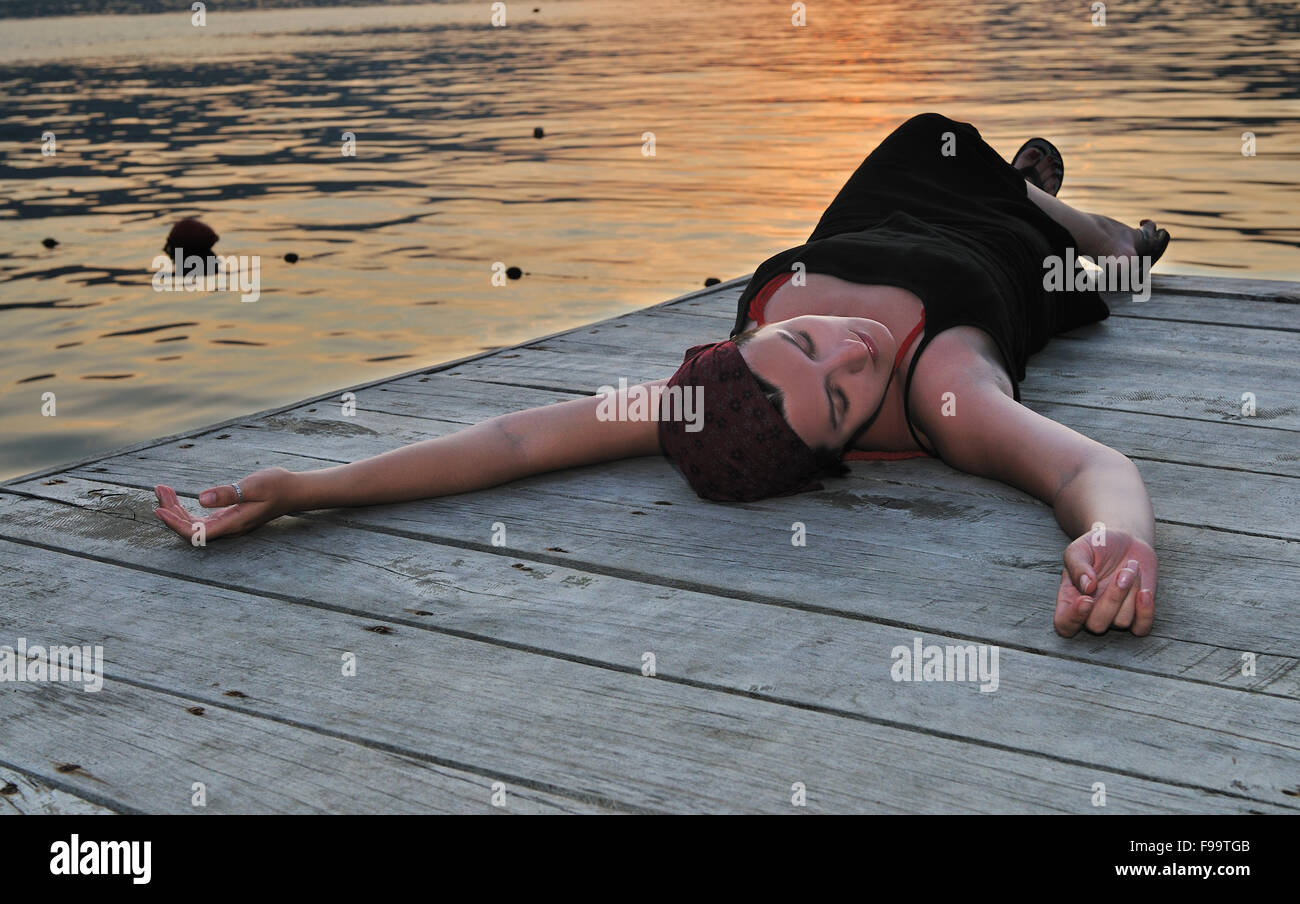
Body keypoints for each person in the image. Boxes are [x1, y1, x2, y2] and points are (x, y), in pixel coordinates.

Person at [153, 114, 1170, 640]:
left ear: (740, 343)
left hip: (896, 175)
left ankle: (1024, 176)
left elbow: (515, 440)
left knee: (950, 143)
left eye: (805, 344)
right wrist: (1112, 542)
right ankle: (1060, 205)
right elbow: (1085, 469)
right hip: (991, 244)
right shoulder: (946, 393)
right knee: (1095, 253)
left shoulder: (706, 391)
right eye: (845, 397)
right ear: (853, 446)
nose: (851, 349)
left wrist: (307, 486)